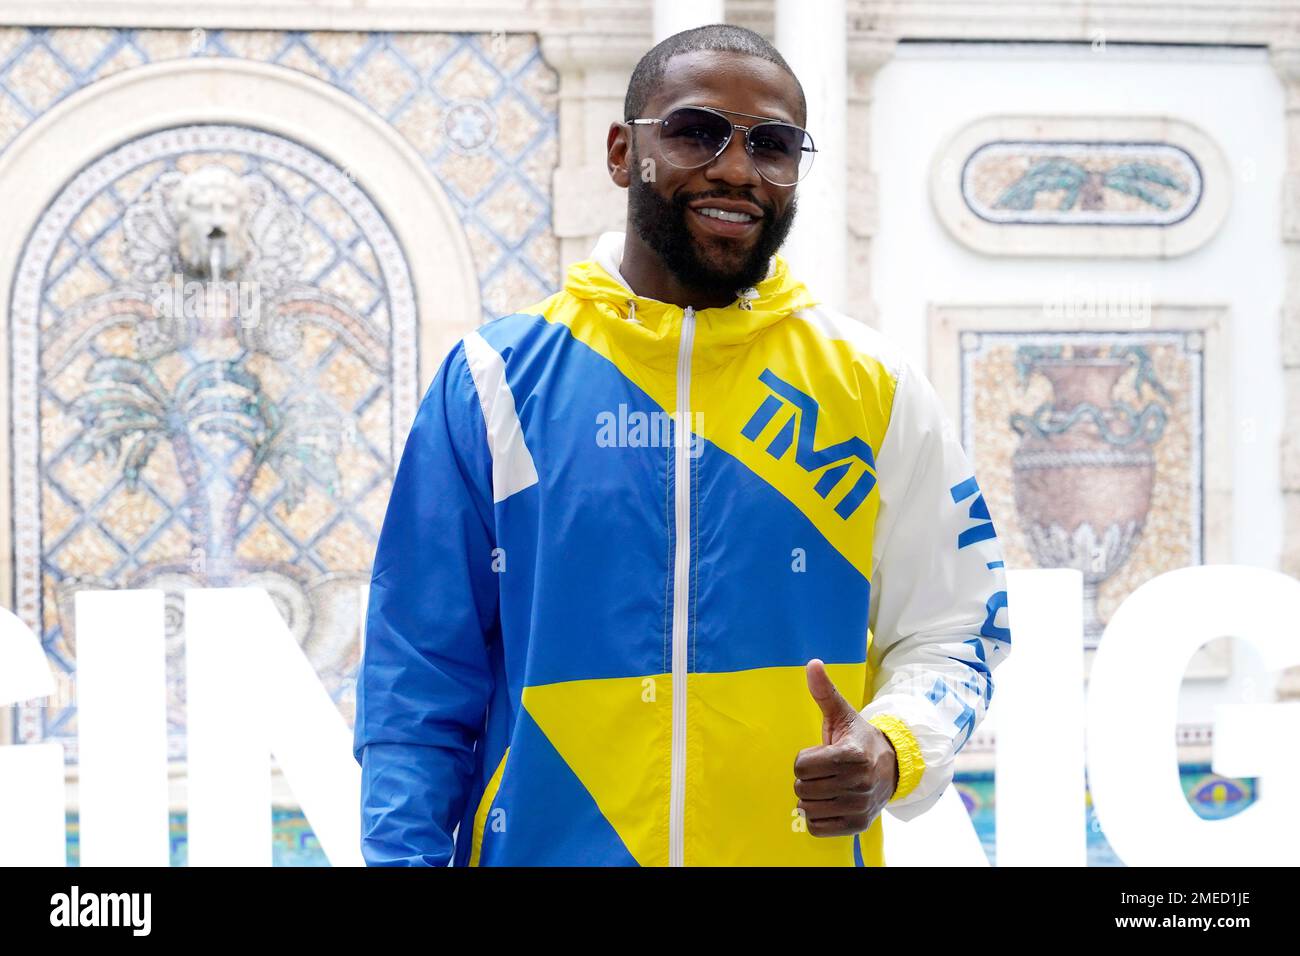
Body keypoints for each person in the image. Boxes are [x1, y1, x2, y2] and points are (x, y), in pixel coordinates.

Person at [352, 23, 1011, 867]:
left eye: (772, 145)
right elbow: (417, 678)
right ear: (625, 152)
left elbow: (958, 626)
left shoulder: (873, 388)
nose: (737, 168)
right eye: (698, 132)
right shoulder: (492, 381)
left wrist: (893, 748)